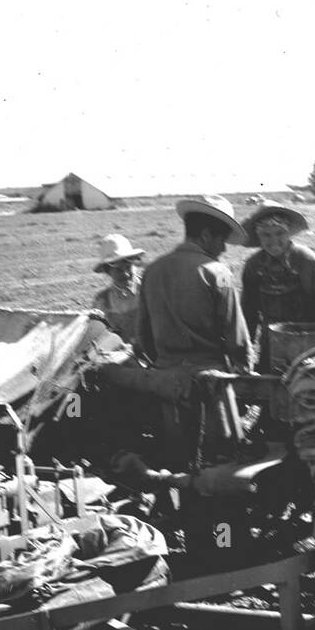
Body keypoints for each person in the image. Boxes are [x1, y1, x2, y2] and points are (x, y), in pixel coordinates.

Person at [131, 194, 251, 467]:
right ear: (207, 235)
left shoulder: (152, 272)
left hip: (167, 386)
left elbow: (143, 341)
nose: (223, 249)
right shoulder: (217, 272)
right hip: (210, 388)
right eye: (222, 240)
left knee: (175, 461)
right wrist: (244, 377)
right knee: (220, 463)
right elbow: (238, 341)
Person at [240, 200, 315, 371]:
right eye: (266, 235)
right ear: (258, 237)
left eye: (279, 233)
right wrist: (244, 354)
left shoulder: (306, 260)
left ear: (289, 233)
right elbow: (248, 315)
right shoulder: (253, 266)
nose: (274, 241)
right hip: (271, 347)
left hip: (309, 346)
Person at [89, 234, 145, 345]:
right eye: (118, 270)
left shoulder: (150, 289)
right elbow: (98, 338)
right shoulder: (101, 302)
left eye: (128, 267)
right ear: (108, 272)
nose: (125, 273)